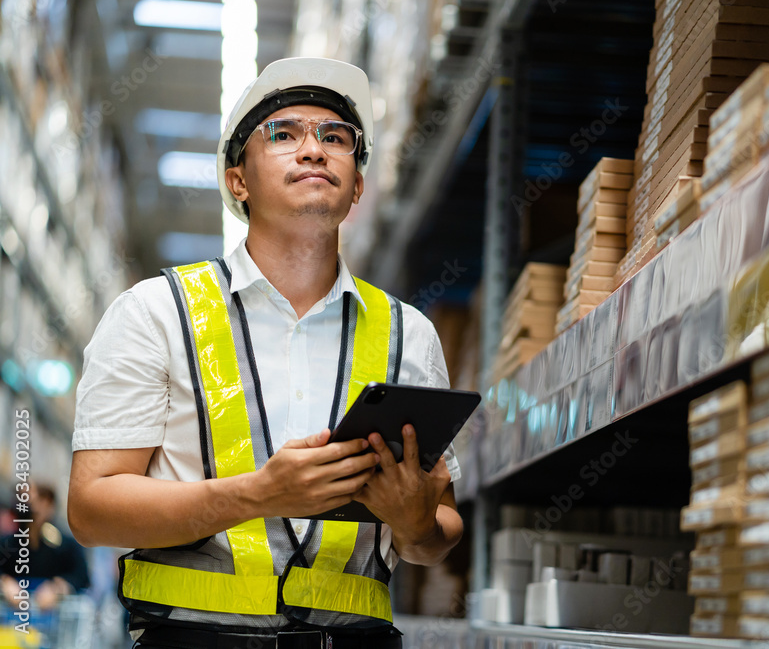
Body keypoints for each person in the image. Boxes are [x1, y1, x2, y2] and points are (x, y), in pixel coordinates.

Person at [67, 57, 463, 649]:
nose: (314, 150)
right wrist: (258, 494)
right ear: (238, 181)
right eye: (284, 134)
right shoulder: (155, 313)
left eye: (336, 138)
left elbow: (442, 528)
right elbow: (92, 508)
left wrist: (416, 524)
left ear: (357, 186)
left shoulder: (410, 335)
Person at [0, 485, 90, 647]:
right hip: (10, 624)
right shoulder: (7, 543)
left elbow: (81, 575)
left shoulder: (65, 545)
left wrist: (58, 587)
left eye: (39, 499)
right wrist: (5, 582)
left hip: (53, 626)